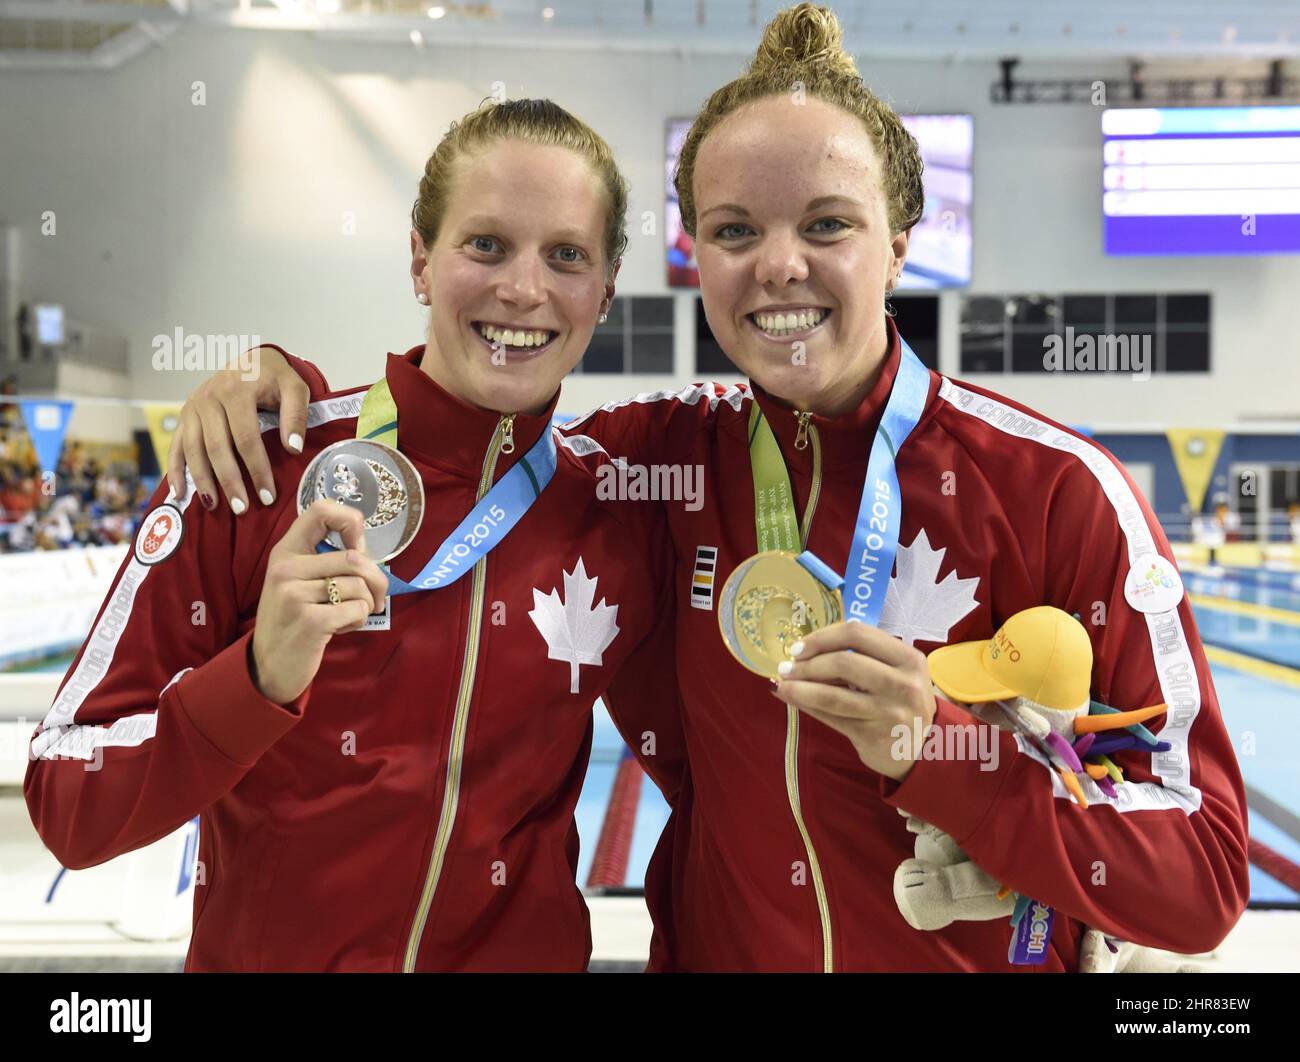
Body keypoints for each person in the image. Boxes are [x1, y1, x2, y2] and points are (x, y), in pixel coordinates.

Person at [169, 4, 1250, 971]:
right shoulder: (651, 464)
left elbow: (1202, 879)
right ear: (697, 255)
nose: (778, 265)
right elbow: (467, 428)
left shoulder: (1055, 488)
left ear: (900, 246)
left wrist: (945, 756)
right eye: (735, 231)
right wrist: (294, 400)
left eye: (826, 224)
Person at [25, 98, 682, 972]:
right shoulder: (256, 470)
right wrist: (254, 679)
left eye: (566, 255)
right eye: (485, 244)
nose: (524, 288)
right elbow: (68, 802)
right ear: (420, 259)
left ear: (603, 290)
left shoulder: (617, 505)